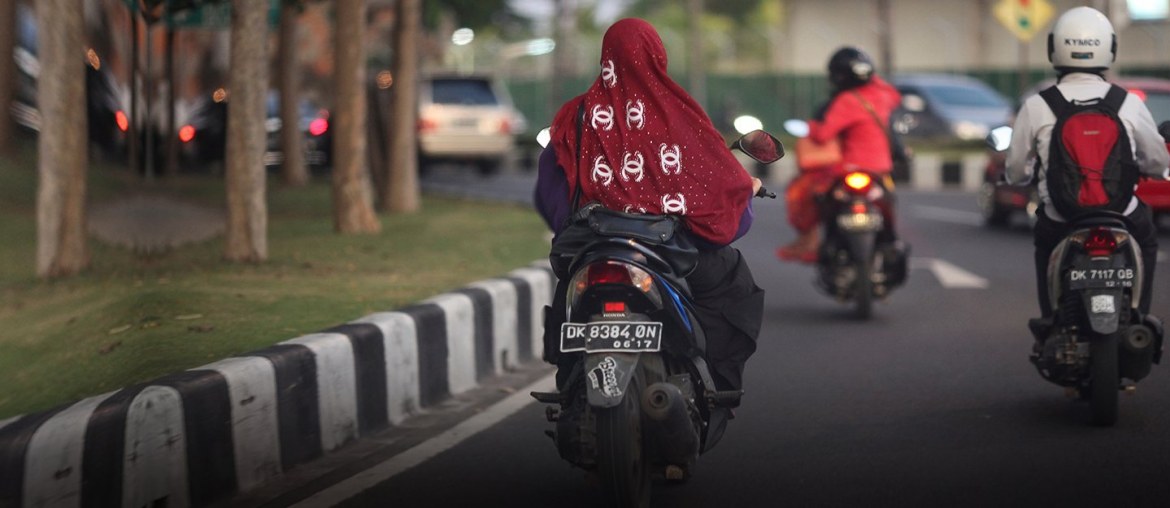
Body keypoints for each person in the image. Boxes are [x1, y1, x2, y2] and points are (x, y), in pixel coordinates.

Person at [534, 18, 765, 393]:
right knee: (731, 285)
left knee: (567, 303)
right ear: (658, 56)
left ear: (604, 58)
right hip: (666, 249)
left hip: (592, 248)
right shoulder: (679, 114)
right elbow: (720, 185)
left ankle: (571, 391)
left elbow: (552, 192)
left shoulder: (575, 116)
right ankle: (718, 390)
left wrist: (572, 225)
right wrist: (746, 189)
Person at [1005, 6, 1169, 320]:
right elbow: (1157, 161)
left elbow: (1016, 170)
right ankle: (1140, 317)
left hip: (1061, 214)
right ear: (1109, 48)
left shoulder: (1038, 105)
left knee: (1044, 246)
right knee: (1147, 242)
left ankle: (1050, 320)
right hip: (1121, 212)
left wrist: (1021, 176)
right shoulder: (1128, 103)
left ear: (1054, 47)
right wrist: (1155, 170)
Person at [777, 46, 903, 262]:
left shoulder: (846, 101)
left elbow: (823, 135)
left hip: (847, 168)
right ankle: (891, 241)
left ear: (838, 76)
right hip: (881, 168)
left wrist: (812, 127)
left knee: (804, 192)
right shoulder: (884, 95)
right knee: (888, 200)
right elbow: (893, 96)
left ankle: (808, 242)